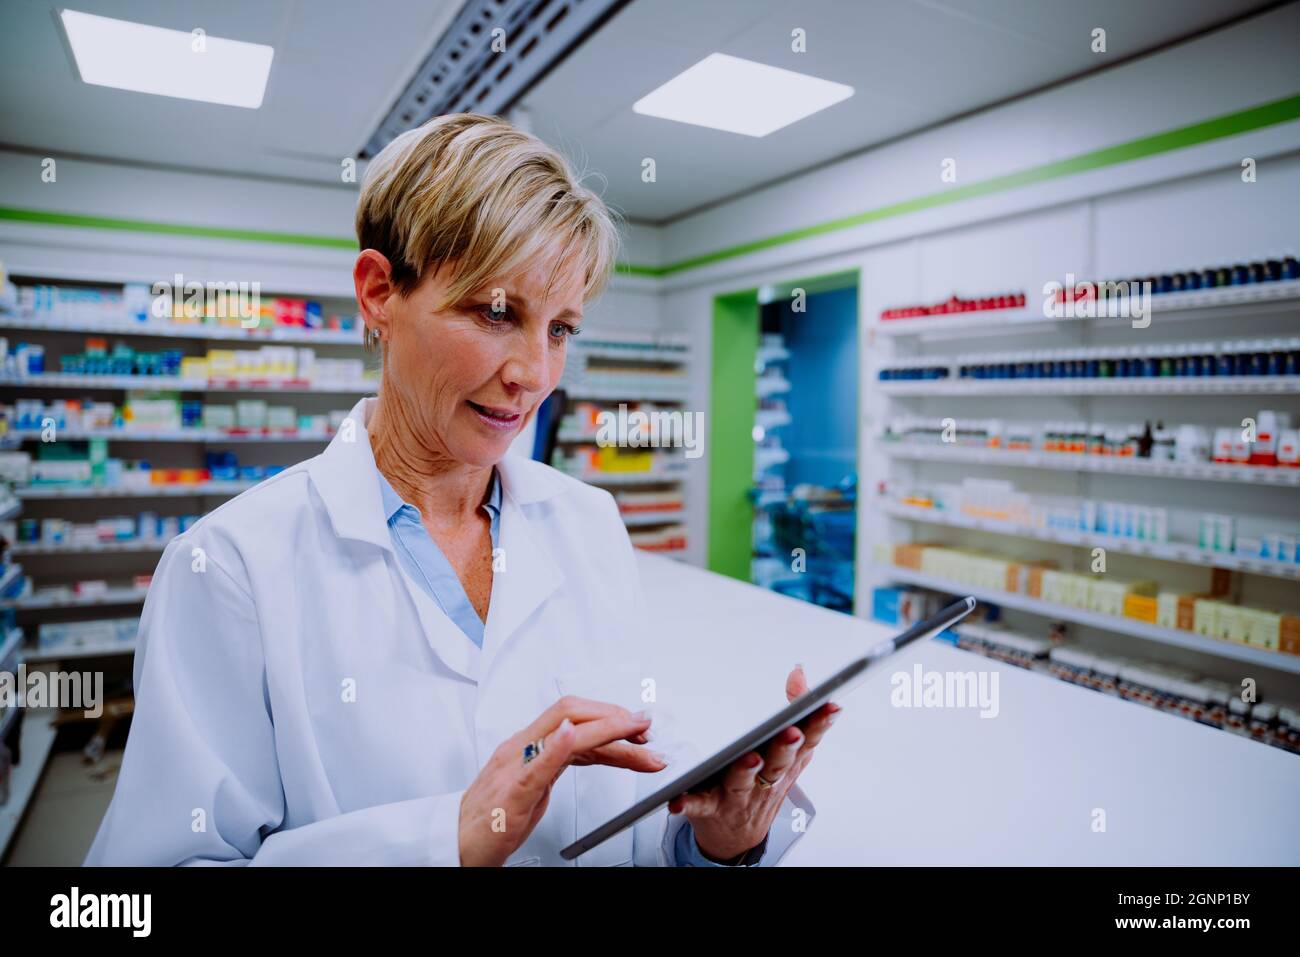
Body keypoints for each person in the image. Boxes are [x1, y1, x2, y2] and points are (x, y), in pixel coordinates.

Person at [86, 113, 839, 867]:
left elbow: (628, 810)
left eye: (560, 329)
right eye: (497, 312)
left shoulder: (587, 522)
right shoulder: (229, 567)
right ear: (379, 292)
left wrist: (716, 839)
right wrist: (446, 841)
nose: (534, 373)